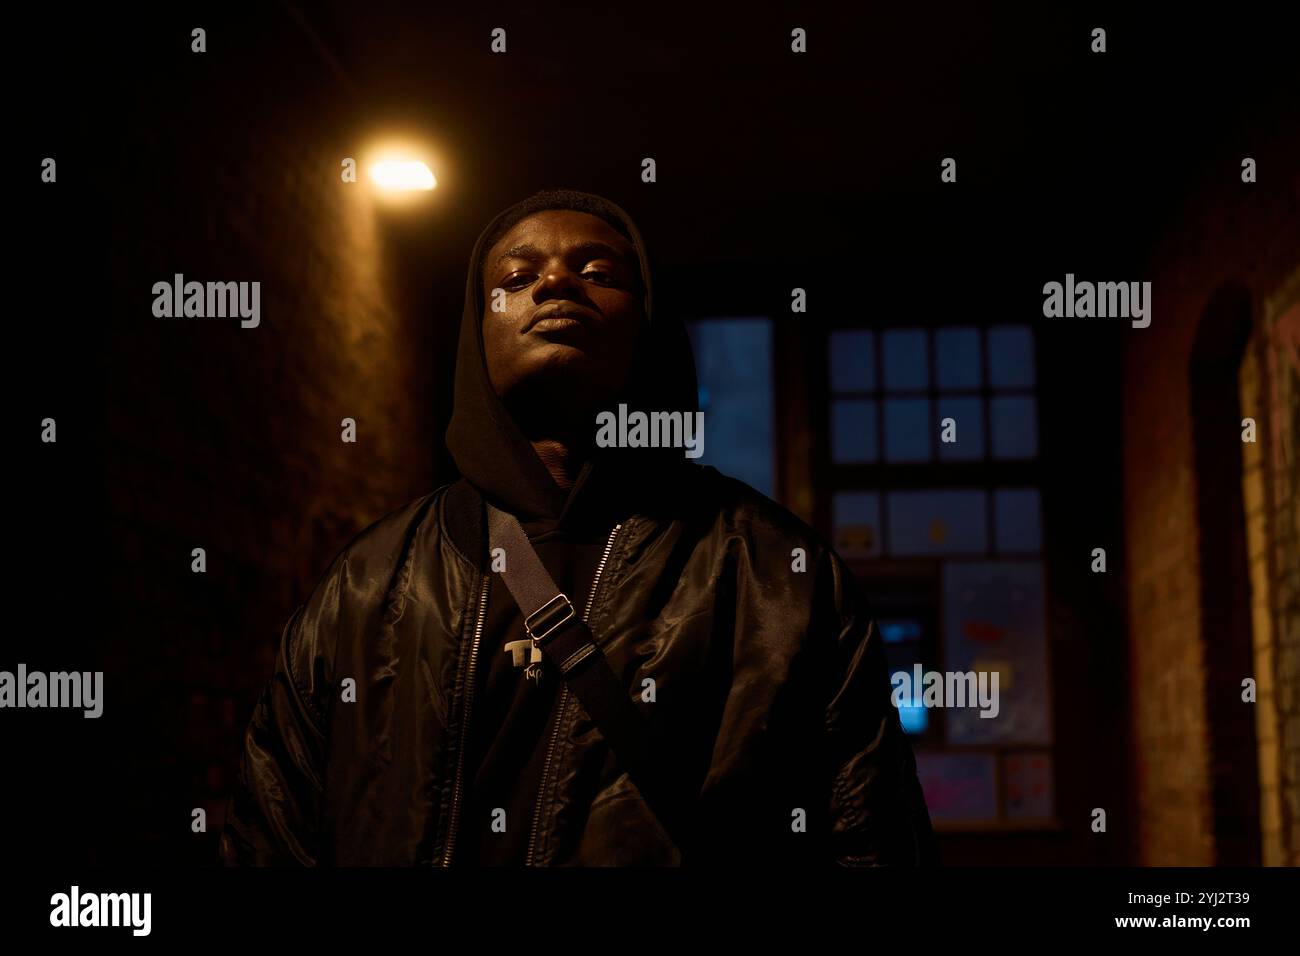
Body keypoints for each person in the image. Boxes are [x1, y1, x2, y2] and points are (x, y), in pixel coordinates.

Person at [218, 188, 936, 866]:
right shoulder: (370, 578)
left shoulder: (773, 571)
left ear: (649, 326)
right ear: (478, 329)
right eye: (519, 273)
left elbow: (871, 831)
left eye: (598, 271)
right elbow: (274, 828)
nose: (557, 283)